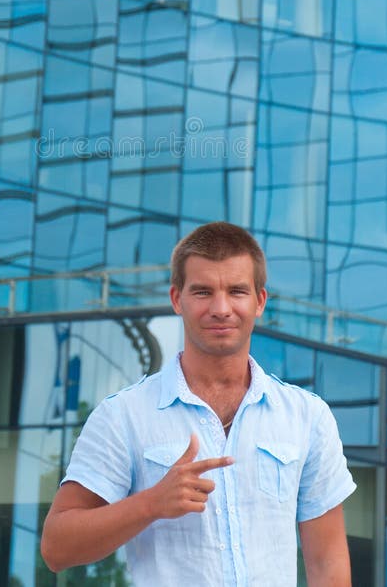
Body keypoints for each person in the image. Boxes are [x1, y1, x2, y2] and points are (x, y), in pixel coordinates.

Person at [41, 222, 356, 586]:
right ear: (177, 299)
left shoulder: (307, 416)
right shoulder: (123, 416)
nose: (221, 309)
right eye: (203, 292)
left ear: (260, 301)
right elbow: (56, 548)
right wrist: (151, 504)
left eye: (237, 291)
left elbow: (328, 564)